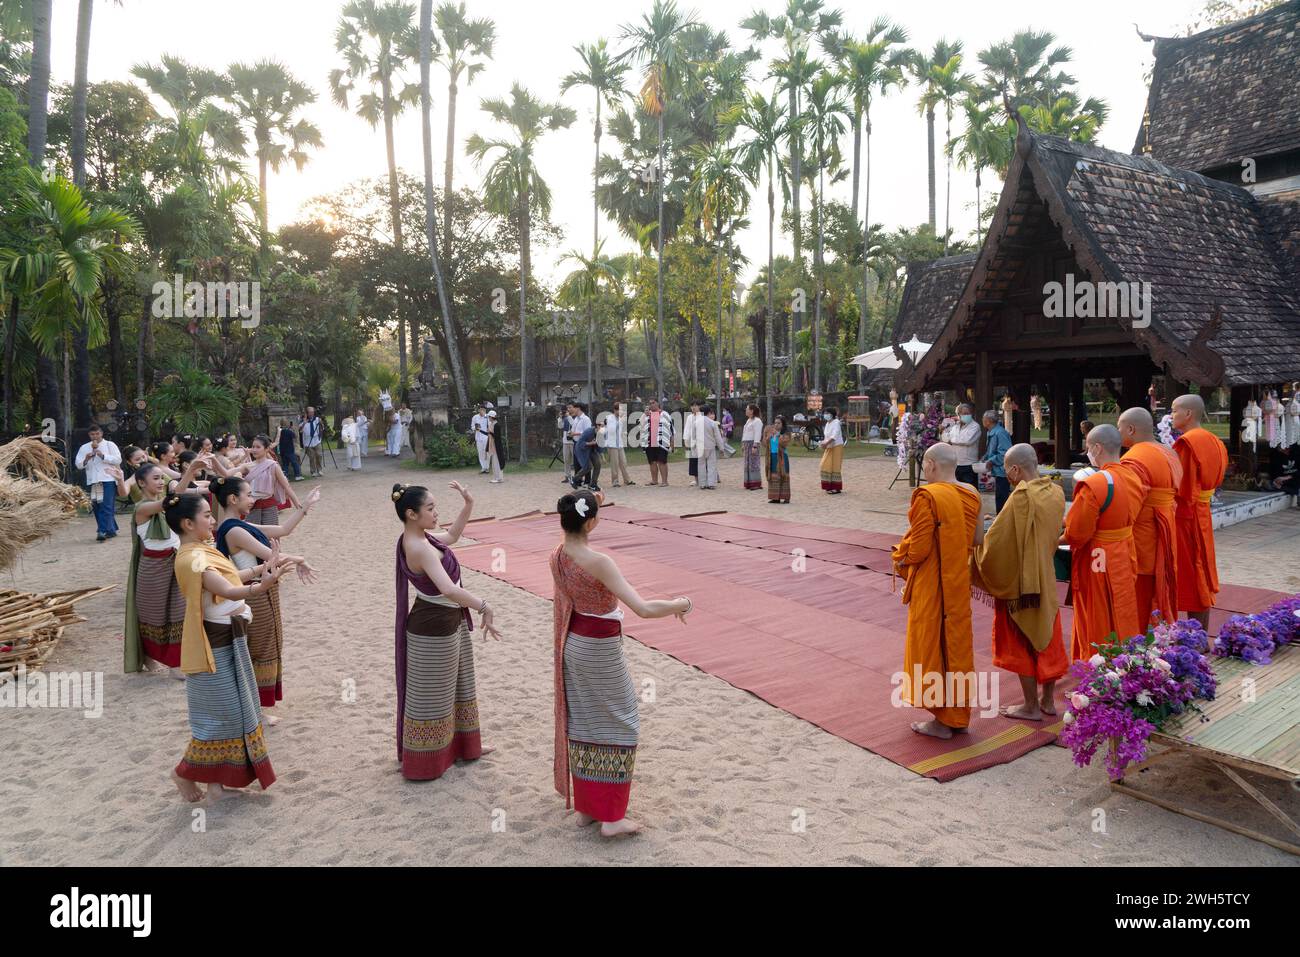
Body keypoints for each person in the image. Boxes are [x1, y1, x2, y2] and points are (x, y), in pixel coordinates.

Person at [550, 491, 691, 837]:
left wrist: (587, 502)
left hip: (574, 643)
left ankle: (587, 808)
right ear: (592, 522)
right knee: (621, 721)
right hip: (599, 648)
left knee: (584, 722)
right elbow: (642, 608)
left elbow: (575, 525)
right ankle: (611, 817)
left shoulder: (557, 554)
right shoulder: (599, 562)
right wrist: (679, 603)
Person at [166, 493, 287, 803]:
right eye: (207, 515)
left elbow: (231, 576)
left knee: (237, 712)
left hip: (229, 640)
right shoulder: (191, 558)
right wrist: (259, 587)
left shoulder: (201, 551)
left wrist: (262, 569)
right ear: (188, 523)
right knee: (224, 715)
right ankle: (184, 773)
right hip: (213, 645)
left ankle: (218, 785)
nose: (213, 520)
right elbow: (227, 589)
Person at [393, 482, 500, 781]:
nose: (436, 513)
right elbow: (449, 589)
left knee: (459, 684)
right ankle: (426, 761)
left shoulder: (421, 539)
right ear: (412, 514)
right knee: (432, 695)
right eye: (430, 508)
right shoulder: (418, 547)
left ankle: (464, 747)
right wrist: (484, 605)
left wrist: (468, 505)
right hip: (433, 626)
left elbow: (452, 536)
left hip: (446, 621)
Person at [891, 443, 982, 739]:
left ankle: (941, 721)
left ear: (930, 465)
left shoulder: (928, 496)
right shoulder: (971, 493)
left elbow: (918, 549)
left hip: (933, 580)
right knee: (954, 642)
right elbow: (978, 538)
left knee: (931, 642)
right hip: (958, 578)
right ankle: (957, 715)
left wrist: (900, 556)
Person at [972, 444, 1068, 721]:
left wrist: (976, 549)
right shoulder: (1055, 490)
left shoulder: (1021, 497)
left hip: (1023, 584)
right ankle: (1048, 700)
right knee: (1047, 638)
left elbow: (997, 543)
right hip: (1046, 576)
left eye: (1006, 468)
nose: (1006, 474)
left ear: (1015, 469)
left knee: (1022, 640)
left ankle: (1030, 706)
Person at [212, 475, 320, 719]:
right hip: (253, 595)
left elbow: (283, 530)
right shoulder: (234, 530)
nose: (252, 499)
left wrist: (304, 506)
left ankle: (255, 708)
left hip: (263, 591)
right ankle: (253, 711)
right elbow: (271, 558)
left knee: (266, 645)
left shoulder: (241, 525)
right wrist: (300, 559)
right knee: (257, 649)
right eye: (248, 495)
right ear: (232, 498)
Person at [1062, 424, 1144, 661]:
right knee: (1124, 605)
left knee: (1097, 610)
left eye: (1088, 446)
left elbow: (1076, 533)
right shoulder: (1134, 476)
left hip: (1098, 556)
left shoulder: (1096, 484)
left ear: (1096, 448)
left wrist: (1052, 539)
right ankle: (1127, 659)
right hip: (1125, 549)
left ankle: (1098, 663)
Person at [119, 457, 206, 676]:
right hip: (153, 569)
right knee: (154, 617)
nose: (160, 482)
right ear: (141, 483)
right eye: (155, 478)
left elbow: (175, 498)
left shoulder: (165, 506)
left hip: (175, 564)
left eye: (162, 478)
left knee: (178, 613)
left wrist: (191, 471)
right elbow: (170, 500)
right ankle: (150, 657)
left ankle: (176, 664)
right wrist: (191, 470)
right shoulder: (142, 508)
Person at [1117, 407, 1182, 627]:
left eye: (1120, 427)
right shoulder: (1169, 451)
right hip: (1167, 525)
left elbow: (1126, 504)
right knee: (1160, 579)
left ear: (1131, 429)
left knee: (1141, 589)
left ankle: (1139, 642)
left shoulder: (1134, 458)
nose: (1118, 432)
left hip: (1144, 532)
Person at [1170, 394, 1229, 629]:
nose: (1171, 415)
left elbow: (1180, 487)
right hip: (1203, 509)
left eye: (1174, 410)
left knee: (1190, 570)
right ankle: (1198, 632)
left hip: (1185, 514)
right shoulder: (1214, 440)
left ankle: (1193, 634)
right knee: (1201, 566)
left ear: (1188, 414)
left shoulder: (1187, 443)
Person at [75, 424, 122, 542]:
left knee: (106, 505)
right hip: (93, 480)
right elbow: (78, 465)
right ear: (89, 435)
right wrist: (86, 459)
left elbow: (118, 459)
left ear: (101, 433)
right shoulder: (84, 447)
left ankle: (101, 531)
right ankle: (111, 529)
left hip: (108, 478)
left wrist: (103, 455)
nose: (95, 436)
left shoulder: (109, 445)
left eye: (97, 434)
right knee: (97, 506)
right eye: (92, 434)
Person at [244, 434, 300, 524]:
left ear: (266, 449)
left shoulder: (273, 465)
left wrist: (298, 504)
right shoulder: (247, 466)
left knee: (271, 535)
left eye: (258, 447)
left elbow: (286, 486)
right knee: (252, 534)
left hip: (269, 504)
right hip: (252, 505)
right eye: (253, 447)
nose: (254, 449)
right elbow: (227, 473)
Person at [976, 409, 1013, 512]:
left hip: (1003, 470)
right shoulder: (992, 432)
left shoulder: (1000, 433)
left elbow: (1005, 453)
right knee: (999, 497)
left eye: (983, 418)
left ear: (988, 421)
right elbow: (991, 451)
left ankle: (1003, 522)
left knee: (1002, 498)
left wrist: (991, 461)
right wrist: (984, 458)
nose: (982, 420)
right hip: (998, 470)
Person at [941, 403, 981, 492]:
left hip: (969, 464)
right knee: (957, 491)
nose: (967, 415)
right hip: (956, 463)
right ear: (959, 415)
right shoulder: (955, 426)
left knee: (970, 491)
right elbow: (945, 438)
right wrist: (944, 432)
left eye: (968, 413)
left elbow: (967, 440)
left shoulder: (975, 426)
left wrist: (951, 440)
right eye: (964, 413)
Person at [640, 398, 673, 486]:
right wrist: (644, 415)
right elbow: (641, 427)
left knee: (662, 461)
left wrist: (672, 443)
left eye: (653, 403)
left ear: (658, 403)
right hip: (649, 441)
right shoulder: (646, 415)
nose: (651, 405)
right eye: (650, 403)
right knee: (652, 462)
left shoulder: (665, 414)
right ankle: (654, 480)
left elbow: (671, 429)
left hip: (661, 442)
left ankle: (664, 481)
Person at [763, 415, 792, 504]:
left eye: (779, 423)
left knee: (783, 475)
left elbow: (784, 443)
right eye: (775, 423)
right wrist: (768, 437)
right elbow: (764, 443)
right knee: (773, 476)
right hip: (772, 456)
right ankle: (775, 497)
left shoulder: (786, 433)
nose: (776, 425)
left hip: (782, 457)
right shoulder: (770, 432)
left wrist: (778, 435)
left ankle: (785, 497)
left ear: (783, 424)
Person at [603, 407, 633, 488]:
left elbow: (619, 431)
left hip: (619, 444)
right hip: (612, 444)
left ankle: (627, 480)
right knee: (615, 464)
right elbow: (610, 430)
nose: (621, 412)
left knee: (623, 462)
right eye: (619, 410)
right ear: (615, 410)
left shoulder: (620, 419)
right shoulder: (609, 418)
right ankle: (615, 481)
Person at [818, 407, 846, 493]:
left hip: (837, 446)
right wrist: (823, 443)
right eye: (825, 413)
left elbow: (834, 436)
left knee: (835, 466)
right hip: (829, 447)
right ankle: (829, 486)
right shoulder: (827, 424)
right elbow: (827, 436)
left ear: (832, 414)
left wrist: (826, 443)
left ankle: (836, 487)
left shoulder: (836, 422)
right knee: (825, 464)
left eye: (827, 413)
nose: (825, 415)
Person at [697, 406, 724, 490]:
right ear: (709, 412)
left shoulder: (696, 422)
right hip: (710, 446)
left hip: (700, 446)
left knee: (701, 465)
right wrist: (721, 448)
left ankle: (702, 483)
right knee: (711, 465)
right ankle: (711, 483)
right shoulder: (712, 423)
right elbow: (717, 436)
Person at [572, 420, 601, 492]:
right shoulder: (588, 432)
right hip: (581, 450)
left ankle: (593, 484)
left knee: (598, 464)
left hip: (592, 449)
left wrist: (601, 455)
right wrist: (590, 443)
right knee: (588, 466)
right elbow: (580, 443)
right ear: (597, 426)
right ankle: (574, 479)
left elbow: (600, 445)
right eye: (601, 426)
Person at [741, 404, 764, 490]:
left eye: (747, 409)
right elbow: (745, 433)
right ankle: (749, 482)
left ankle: (756, 483)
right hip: (747, 444)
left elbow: (757, 434)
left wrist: (755, 446)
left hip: (753, 444)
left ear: (752, 411)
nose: (746, 411)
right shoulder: (748, 420)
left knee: (754, 463)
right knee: (748, 464)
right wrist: (743, 444)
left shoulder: (757, 421)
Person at [683, 400, 702, 486]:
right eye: (692, 406)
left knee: (702, 461)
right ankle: (696, 479)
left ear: (699, 406)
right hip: (692, 443)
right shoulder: (689, 417)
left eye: (696, 405)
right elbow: (687, 429)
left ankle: (705, 478)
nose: (694, 407)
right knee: (693, 461)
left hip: (701, 442)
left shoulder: (702, 416)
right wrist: (685, 441)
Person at [301, 407, 324, 476]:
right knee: (312, 457)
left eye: (312, 412)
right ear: (307, 413)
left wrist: (321, 423)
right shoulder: (302, 421)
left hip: (316, 440)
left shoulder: (317, 419)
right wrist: (304, 423)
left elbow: (322, 428)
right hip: (307, 442)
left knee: (319, 455)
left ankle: (319, 470)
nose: (311, 414)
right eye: (310, 412)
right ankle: (313, 471)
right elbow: (300, 431)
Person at [486, 410, 504, 483]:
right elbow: (490, 435)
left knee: (496, 462)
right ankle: (497, 477)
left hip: (496, 446)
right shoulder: (492, 424)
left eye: (489, 417)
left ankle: (498, 478)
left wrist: (490, 432)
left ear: (492, 417)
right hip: (493, 445)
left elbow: (497, 437)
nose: (488, 418)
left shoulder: (496, 425)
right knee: (494, 462)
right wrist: (480, 430)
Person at [471, 404, 491, 473]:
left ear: (485, 410)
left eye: (483, 410)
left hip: (486, 437)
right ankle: (483, 467)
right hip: (478, 437)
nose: (482, 411)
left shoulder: (488, 417)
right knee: (480, 453)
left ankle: (487, 467)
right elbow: (472, 426)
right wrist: (476, 428)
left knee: (487, 452)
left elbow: (490, 426)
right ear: (479, 410)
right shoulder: (475, 417)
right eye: (481, 409)